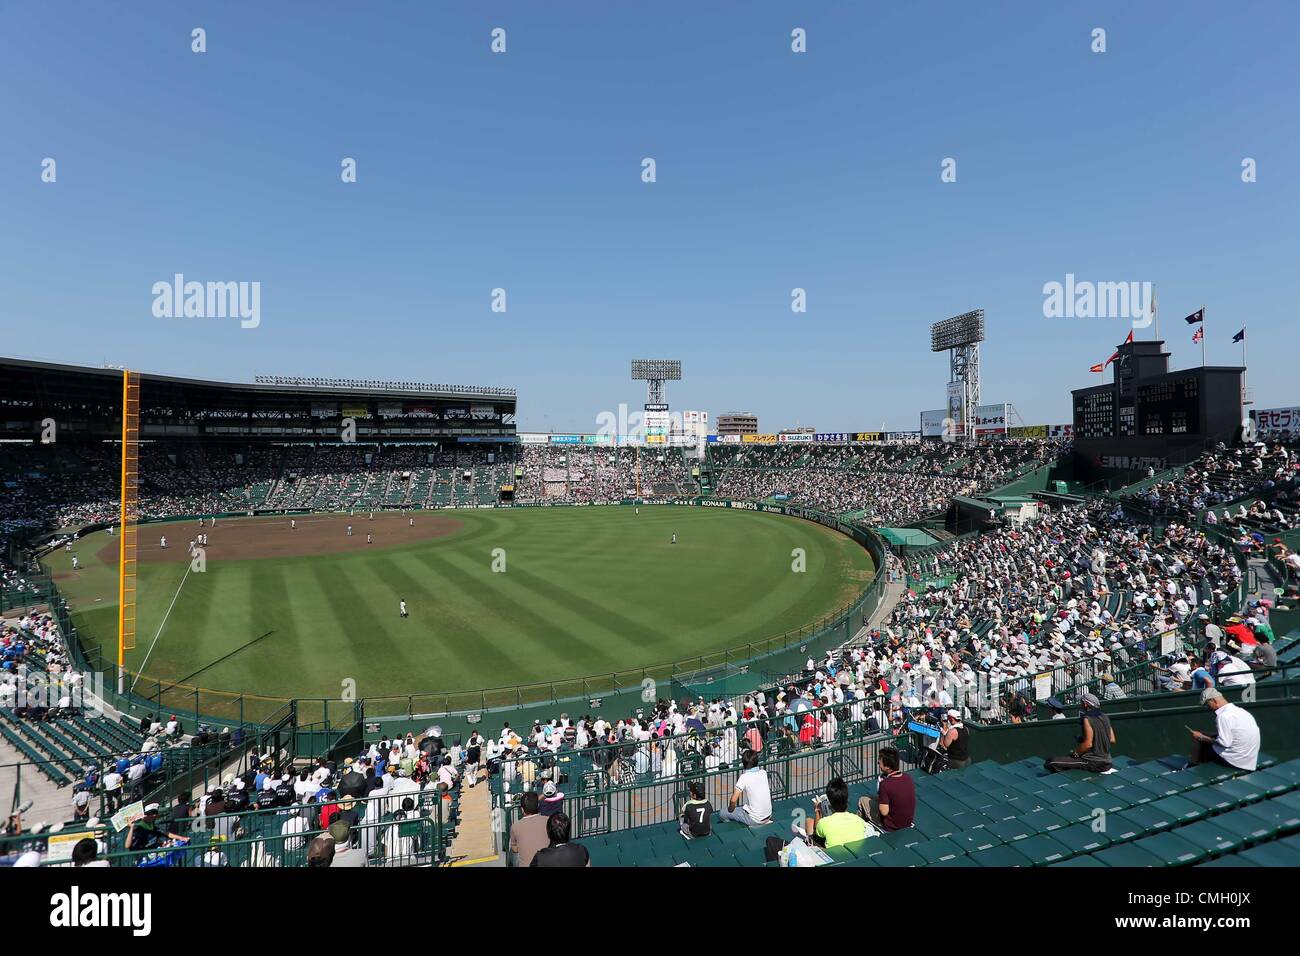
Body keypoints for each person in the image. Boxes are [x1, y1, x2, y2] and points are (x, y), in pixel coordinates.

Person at [1189, 688, 1260, 771]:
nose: (1208, 708)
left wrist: (1200, 737)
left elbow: (1224, 743)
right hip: (1249, 760)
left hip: (1235, 761)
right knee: (1205, 735)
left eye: (1207, 705)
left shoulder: (1223, 716)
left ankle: (1192, 767)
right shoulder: (1242, 711)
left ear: (1213, 701)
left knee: (1199, 740)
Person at [1044, 692, 1115, 773]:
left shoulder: (1087, 719)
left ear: (1085, 704)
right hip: (1108, 762)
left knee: (1050, 762)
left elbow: (1088, 744)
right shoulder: (1105, 717)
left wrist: (1076, 753)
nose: (1080, 704)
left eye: (1081, 702)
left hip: (1093, 762)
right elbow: (1112, 739)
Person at [858, 747, 914, 831]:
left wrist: (881, 792)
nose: (878, 763)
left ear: (887, 767)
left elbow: (884, 812)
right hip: (907, 821)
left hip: (892, 826)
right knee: (872, 797)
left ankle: (857, 826)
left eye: (880, 762)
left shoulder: (885, 784)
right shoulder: (907, 778)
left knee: (863, 800)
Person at [804, 776, 867, 848]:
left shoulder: (824, 823)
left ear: (830, 806)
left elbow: (817, 831)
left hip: (833, 856)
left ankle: (809, 845)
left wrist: (817, 810)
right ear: (847, 801)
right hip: (855, 853)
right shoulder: (859, 820)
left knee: (809, 822)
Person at [716, 749, 772, 828]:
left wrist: (730, 810)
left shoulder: (744, 777)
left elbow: (733, 800)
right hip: (768, 815)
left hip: (754, 819)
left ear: (744, 763)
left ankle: (736, 827)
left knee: (722, 813)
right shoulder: (763, 772)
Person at [509, 791, 549, 867]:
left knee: (512, 850)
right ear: (538, 805)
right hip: (547, 862)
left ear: (522, 810)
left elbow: (515, 849)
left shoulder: (515, 826)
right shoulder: (548, 820)